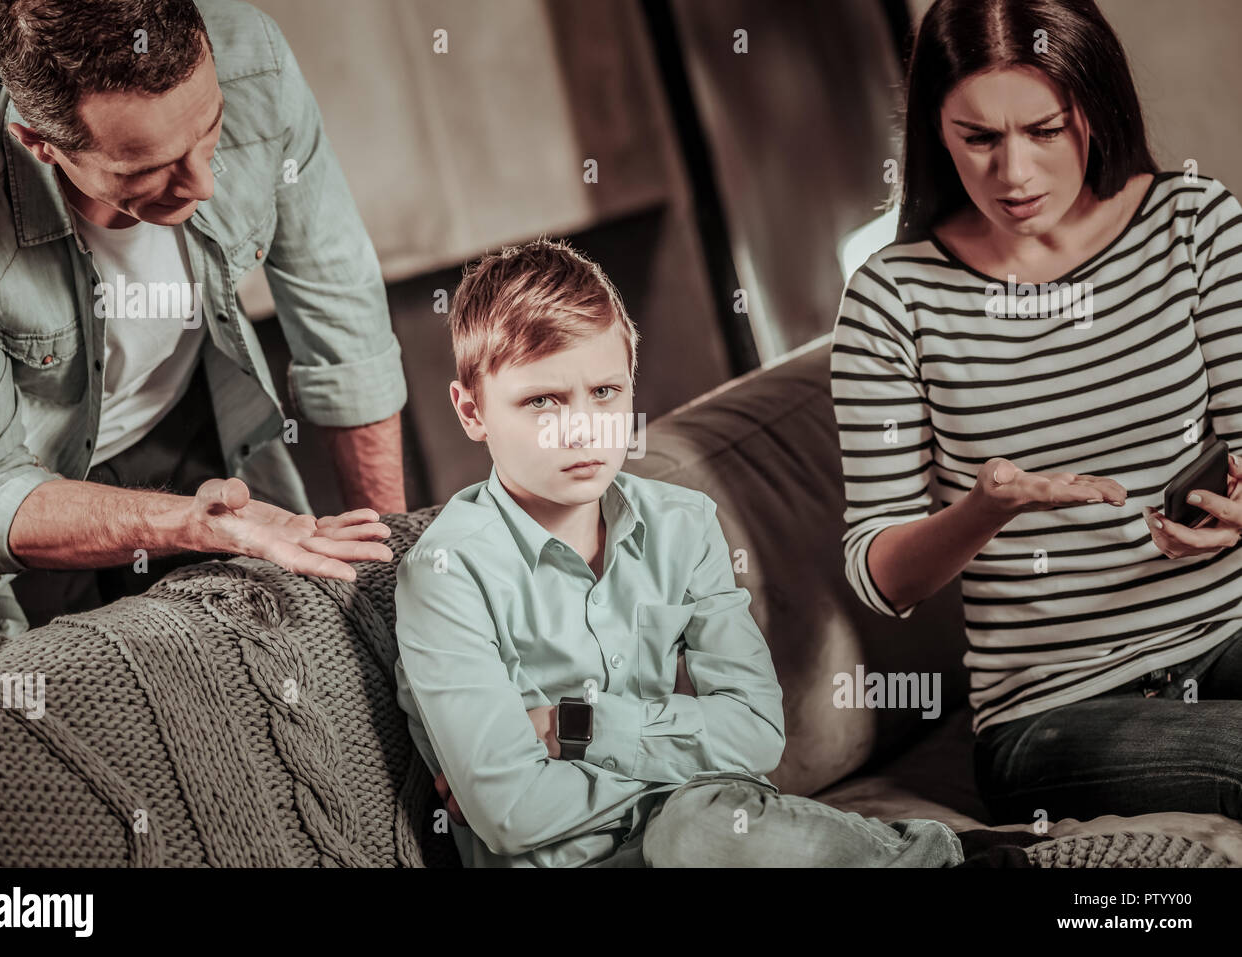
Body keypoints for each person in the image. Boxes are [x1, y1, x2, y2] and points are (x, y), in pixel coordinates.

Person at [392, 237, 966, 867]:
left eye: (605, 392)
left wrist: (571, 726)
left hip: (702, 843)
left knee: (693, 832)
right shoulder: (447, 575)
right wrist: (688, 761)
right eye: (541, 401)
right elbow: (511, 812)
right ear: (471, 411)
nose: (583, 429)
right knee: (693, 827)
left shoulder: (681, 524)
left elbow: (757, 734)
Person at [831, 0, 1242, 825]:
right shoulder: (890, 298)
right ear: (935, 131)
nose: (1014, 174)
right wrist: (986, 508)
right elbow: (880, 577)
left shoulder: (1195, 222)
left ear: (1095, 105)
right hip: (1053, 709)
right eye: (978, 137)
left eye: (1044, 130)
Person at [0, 0, 407, 656]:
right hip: (36, 498)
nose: (204, 184)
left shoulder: (253, 60)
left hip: (194, 429)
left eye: (210, 128)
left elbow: (345, 327)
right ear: (39, 144)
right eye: (145, 168)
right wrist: (187, 522)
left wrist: (392, 568)